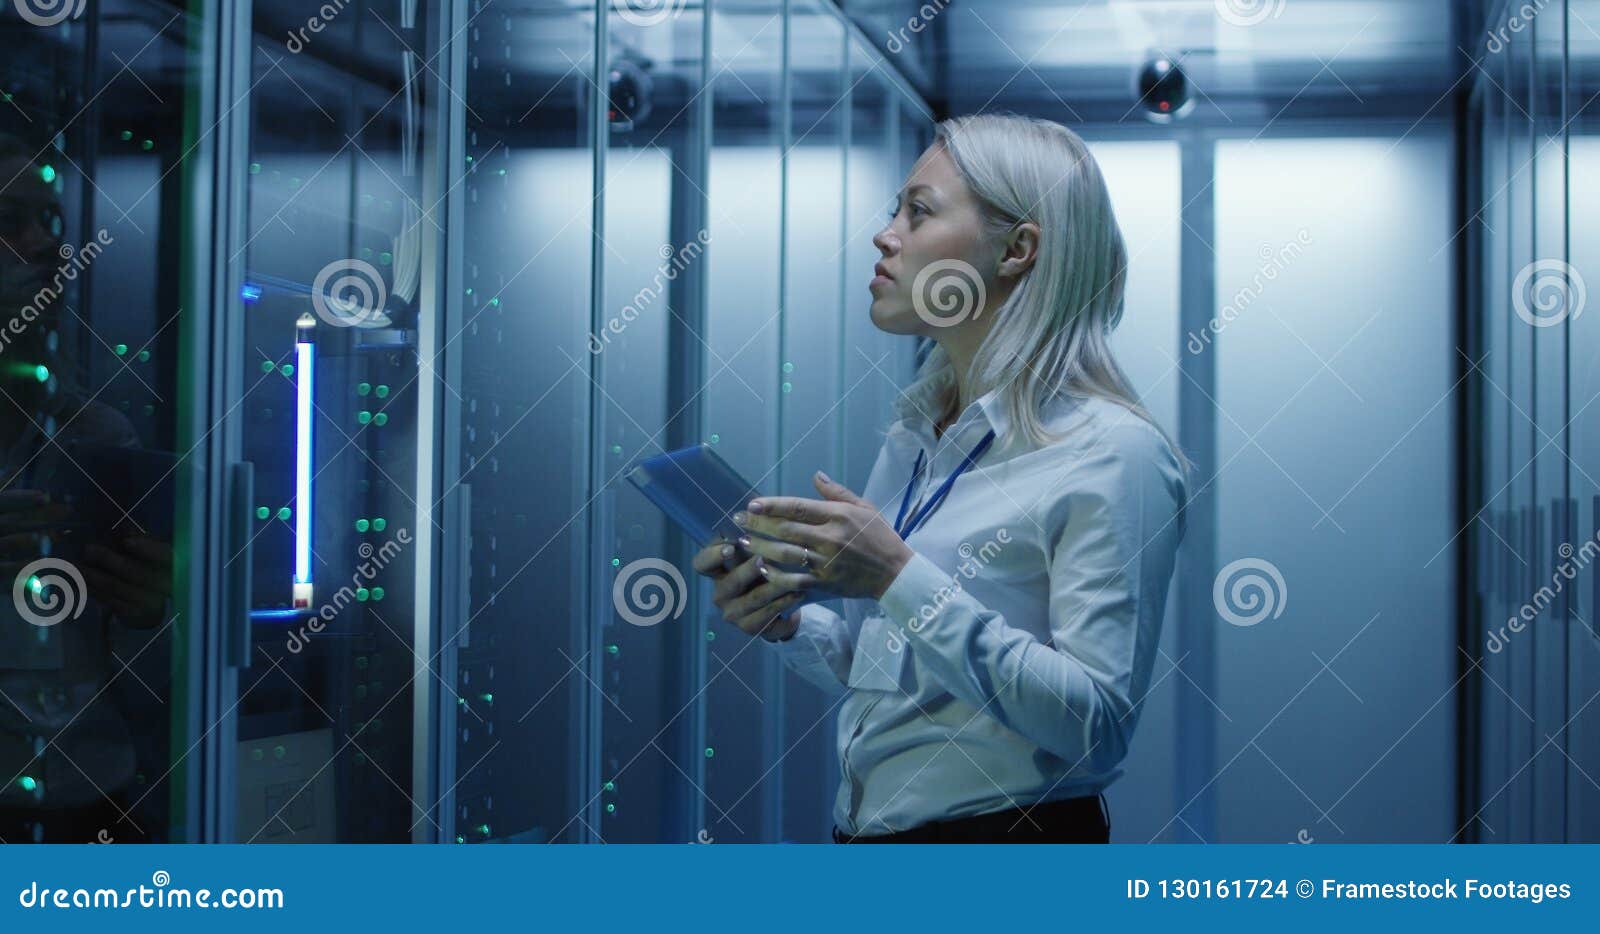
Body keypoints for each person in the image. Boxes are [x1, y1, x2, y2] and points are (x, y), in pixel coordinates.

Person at [691, 113, 1188, 843]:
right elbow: (910, 671)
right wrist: (791, 622)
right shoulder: (920, 438)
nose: (885, 234)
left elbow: (1095, 725)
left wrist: (895, 573)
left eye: (918, 212)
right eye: (896, 210)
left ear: (1018, 249)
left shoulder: (1114, 452)